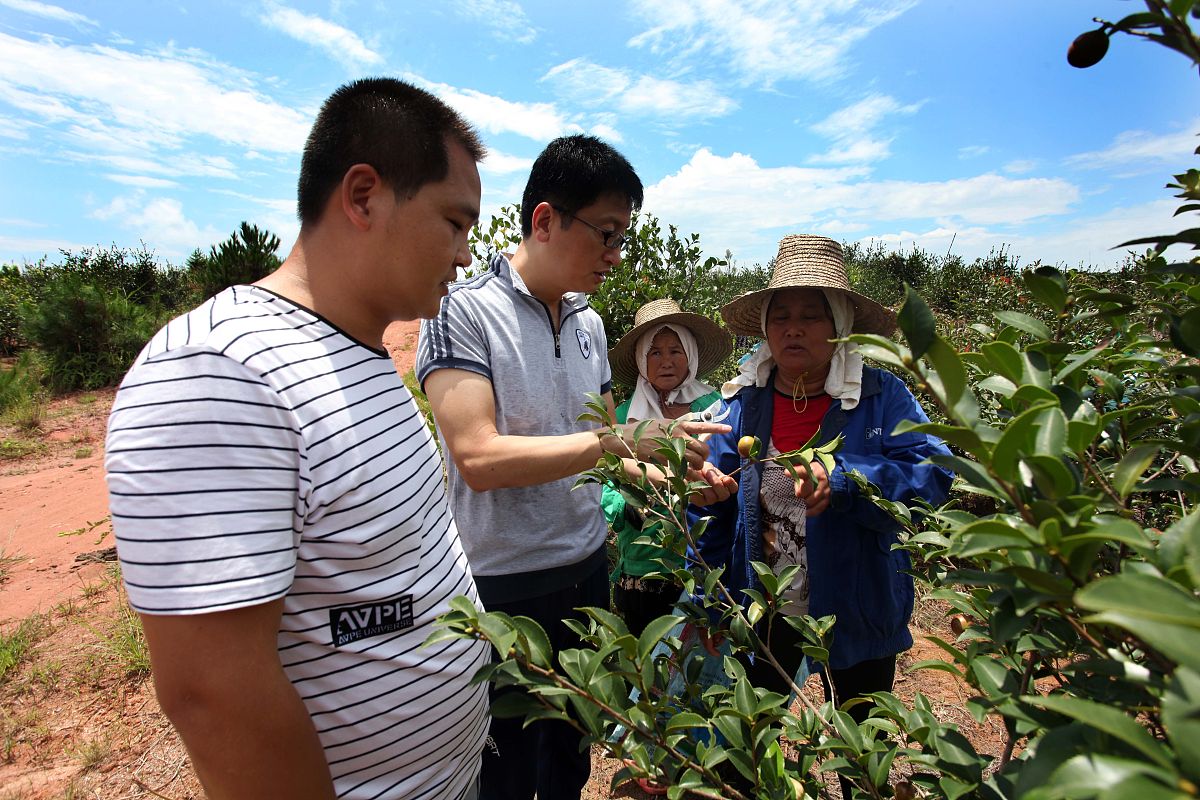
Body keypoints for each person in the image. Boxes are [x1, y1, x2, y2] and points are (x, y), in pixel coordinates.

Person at [105, 78, 491, 800]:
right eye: (455, 223)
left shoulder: (361, 352)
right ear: (364, 196)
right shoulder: (222, 371)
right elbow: (211, 693)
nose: (466, 254)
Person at [416, 135, 734, 800]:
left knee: (570, 754)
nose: (616, 255)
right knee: (502, 767)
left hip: (587, 573)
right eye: (606, 234)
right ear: (545, 220)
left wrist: (674, 479)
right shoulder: (462, 311)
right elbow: (478, 458)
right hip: (502, 585)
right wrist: (622, 443)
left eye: (624, 236)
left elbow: (600, 458)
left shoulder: (588, 324)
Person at [691, 234, 953, 724]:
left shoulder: (880, 396)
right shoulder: (742, 402)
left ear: (840, 325)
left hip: (858, 606)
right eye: (781, 316)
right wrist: (710, 602)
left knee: (858, 741)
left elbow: (932, 473)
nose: (794, 329)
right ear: (765, 329)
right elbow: (709, 505)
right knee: (753, 736)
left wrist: (847, 479)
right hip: (765, 612)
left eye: (811, 315)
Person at [602, 298, 732, 636]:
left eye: (676, 350)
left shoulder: (716, 408)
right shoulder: (622, 417)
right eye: (655, 353)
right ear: (642, 361)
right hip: (644, 568)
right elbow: (606, 479)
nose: (666, 361)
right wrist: (630, 506)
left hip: (706, 562)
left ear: (690, 354)